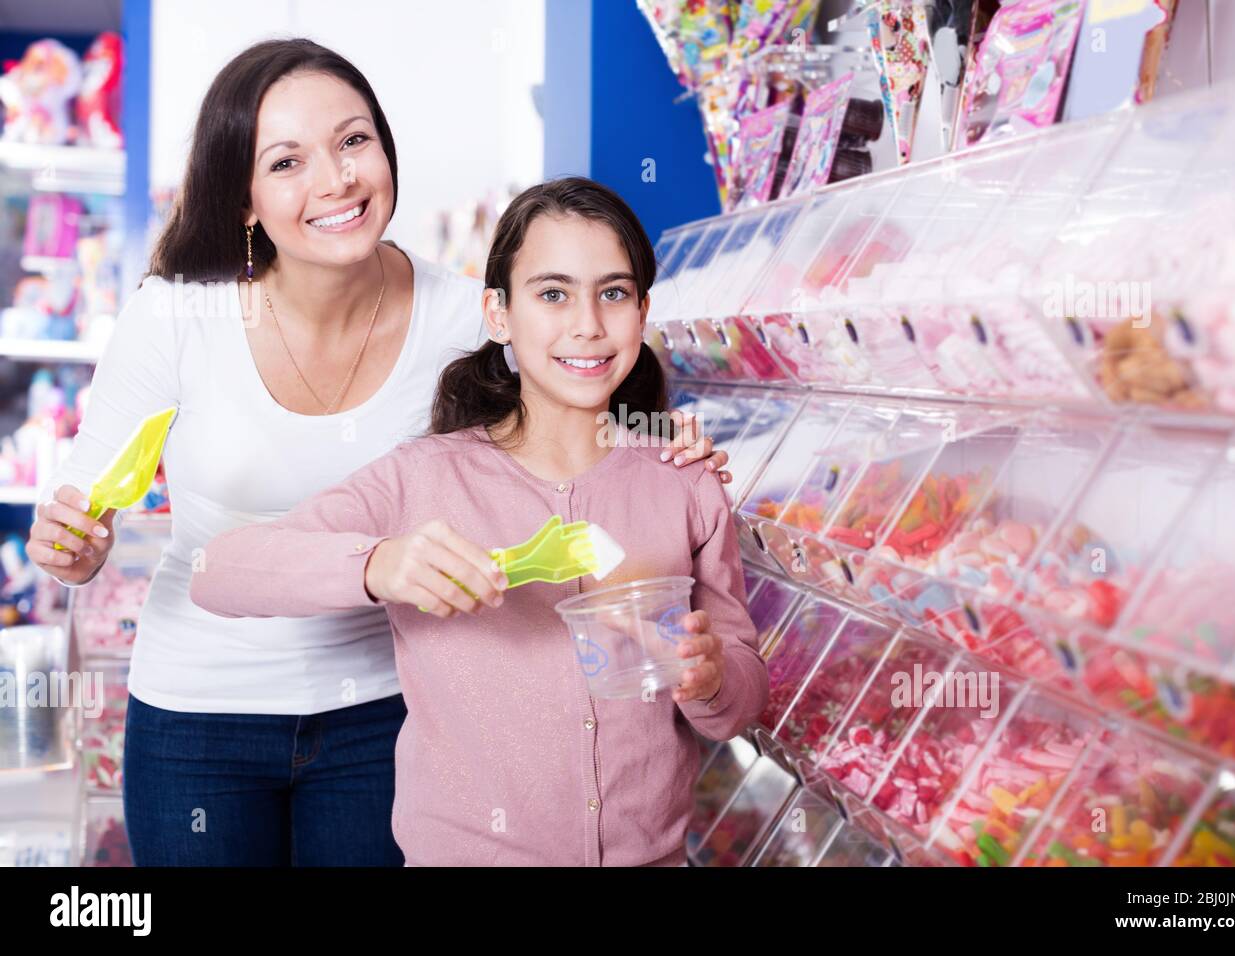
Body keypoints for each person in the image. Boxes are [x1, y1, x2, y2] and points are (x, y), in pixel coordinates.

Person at [25, 40, 729, 866]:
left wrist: (666, 443)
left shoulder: (460, 316)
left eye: (354, 141)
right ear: (244, 198)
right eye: (287, 161)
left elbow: (572, 390)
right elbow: (84, 507)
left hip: (381, 713)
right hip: (198, 712)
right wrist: (73, 547)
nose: (336, 180)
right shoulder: (176, 315)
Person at [190, 177, 768, 866]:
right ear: (498, 313)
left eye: (612, 293)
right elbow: (218, 573)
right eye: (552, 294)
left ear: (642, 312)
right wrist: (376, 566)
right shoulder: (422, 478)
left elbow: (742, 697)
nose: (587, 323)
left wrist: (708, 680)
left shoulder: (685, 481)